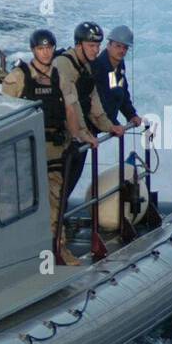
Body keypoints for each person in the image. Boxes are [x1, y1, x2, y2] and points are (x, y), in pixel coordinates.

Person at [50, 21, 125, 265]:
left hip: (75, 140)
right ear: (79, 45)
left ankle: (57, 235)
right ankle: (56, 246)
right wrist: (81, 133)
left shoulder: (91, 68)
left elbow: (93, 104)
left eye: (98, 45)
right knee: (56, 192)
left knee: (66, 188)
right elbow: (71, 106)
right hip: (58, 139)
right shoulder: (64, 65)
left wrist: (108, 126)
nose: (96, 50)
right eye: (92, 45)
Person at [2, 28, 68, 257]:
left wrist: (80, 135)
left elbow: (71, 108)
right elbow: (3, 114)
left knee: (55, 197)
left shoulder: (60, 75)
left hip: (54, 147)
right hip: (25, 148)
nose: (46, 53)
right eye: (41, 48)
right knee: (22, 197)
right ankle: (21, 248)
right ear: (33, 50)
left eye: (49, 48)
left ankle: (57, 246)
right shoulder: (19, 77)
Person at [92, 25, 142, 127]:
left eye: (125, 47)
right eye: (118, 46)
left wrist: (131, 114)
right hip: (92, 123)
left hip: (105, 122)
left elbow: (122, 92)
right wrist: (114, 125)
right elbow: (100, 101)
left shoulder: (119, 64)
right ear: (108, 45)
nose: (122, 51)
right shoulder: (99, 67)